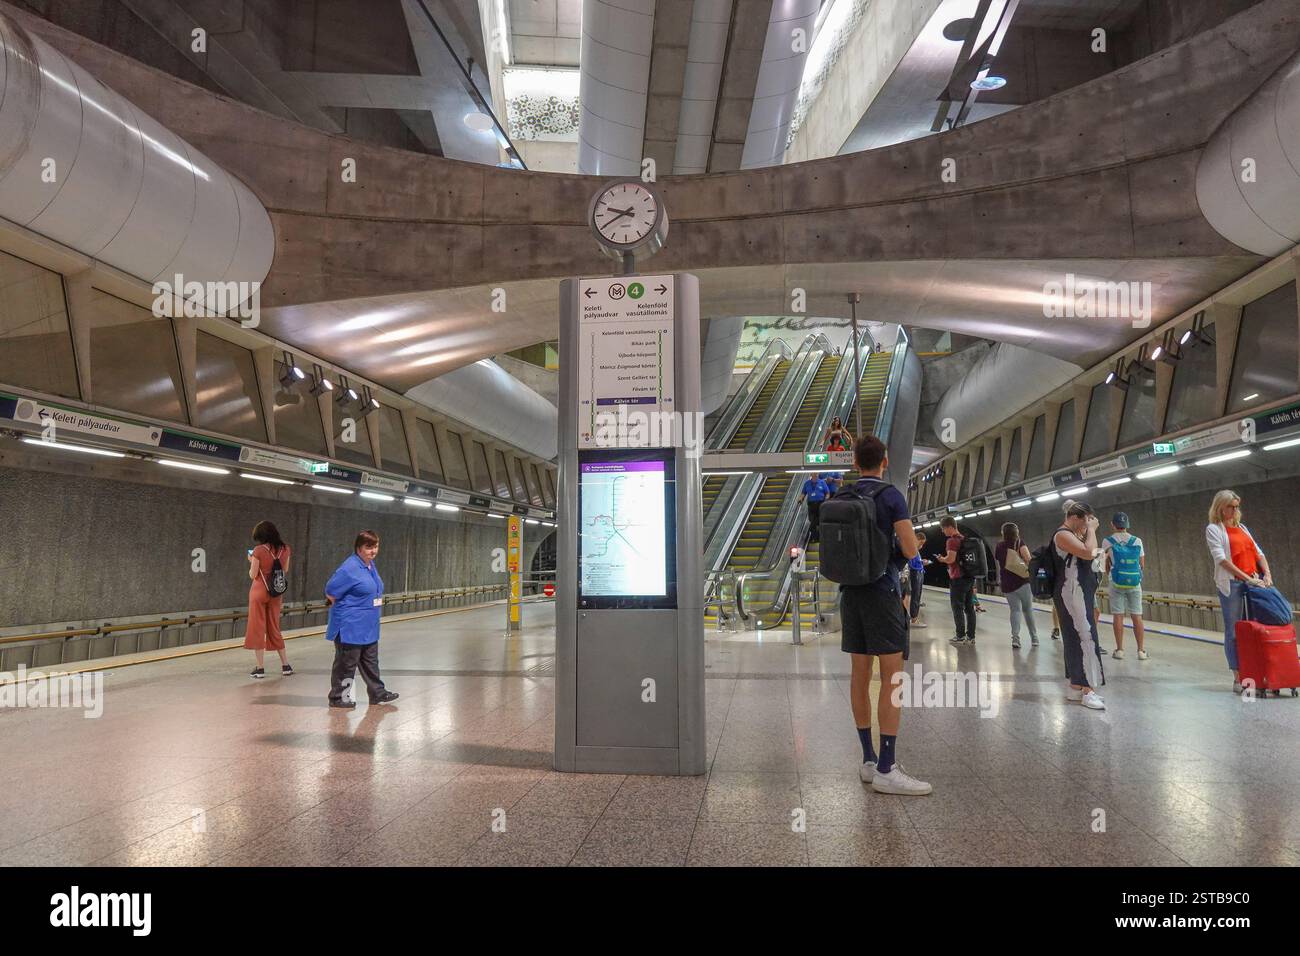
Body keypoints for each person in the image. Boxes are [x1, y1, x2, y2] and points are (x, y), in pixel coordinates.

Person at [839, 435, 931, 796]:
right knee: (892, 677)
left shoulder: (842, 495)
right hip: (882, 591)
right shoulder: (891, 496)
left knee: (859, 675)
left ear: (855, 462)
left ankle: (867, 759)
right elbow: (910, 548)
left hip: (850, 594)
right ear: (885, 461)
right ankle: (887, 768)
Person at [1205, 490, 1271, 694]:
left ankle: (1258, 672)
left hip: (1254, 583)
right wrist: (1246, 577)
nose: (1234, 510)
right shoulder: (1214, 529)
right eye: (1230, 507)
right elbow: (1221, 560)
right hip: (1232, 584)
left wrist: (1266, 574)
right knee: (1233, 630)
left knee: (1255, 629)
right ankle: (1238, 677)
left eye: (1236, 507)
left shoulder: (1242, 528)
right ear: (1220, 508)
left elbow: (1258, 553)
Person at [325, 530, 399, 708]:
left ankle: (377, 693)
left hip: (369, 626)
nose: (373, 551)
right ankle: (338, 697)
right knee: (346, 665)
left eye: (376, 546)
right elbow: (331, 591)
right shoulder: (349, 568)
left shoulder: (369, 565)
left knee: (371, 663)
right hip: (350, 626)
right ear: (359, 548)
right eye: (369, 547)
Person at [1053, 501, 1106, 710]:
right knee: (1087, 637)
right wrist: (1092, 530)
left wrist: (1088, 531)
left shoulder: (1072, 535)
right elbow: (1089, 552)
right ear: (1074, 518)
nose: (1086, 527)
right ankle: (1088, 690)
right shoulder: (1062, 535)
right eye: (1084, 522)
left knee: (1075, 638)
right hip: (1072, 591)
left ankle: (1076, 686)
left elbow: (1097, 560)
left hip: (1078, 590)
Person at [243, 521, 292, 679]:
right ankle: (285, 665)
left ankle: (260, 668)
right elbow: (285, 570)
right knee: (274, 627)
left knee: (257, 627)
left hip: (259, 592)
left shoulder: (258, 550)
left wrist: (252, 560)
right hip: (276, 592)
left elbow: (253, 574)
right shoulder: (285, 549)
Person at [1101, 512, 1148, 660]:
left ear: (1113, 525)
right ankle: (1141, 651)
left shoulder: (1107, 541)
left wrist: (1111, 575)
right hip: (1134, 582)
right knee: (1137, 616)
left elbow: (1104, 564)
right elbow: (1142, 564)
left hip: (1116, 581)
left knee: (1118, 615)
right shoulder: (1137, 541)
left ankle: (1120, 650)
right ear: (1127, 525)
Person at [995, 522, 1038, 649]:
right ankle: (1034, 638)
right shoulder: (1020, 543)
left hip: (1007, 583)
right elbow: (1029, 559)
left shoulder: (999, 546)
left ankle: (1015, 639)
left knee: (1015, 610)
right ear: (1016, 532)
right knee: (1028, 610)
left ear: (1003, 533)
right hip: (1022, 581)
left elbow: (1000, 560)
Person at [937, 516, 976, 645]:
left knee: (957, 607)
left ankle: (960, 635)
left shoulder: (952, 541)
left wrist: (942, 559)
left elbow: (951, 559)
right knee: (969, 608)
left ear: (949, 527)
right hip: (969, 576)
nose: (943, 532)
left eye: (943, 529)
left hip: (958, 578)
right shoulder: (964, 539)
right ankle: (971, 637)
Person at [800, 472, 831, 543]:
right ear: (811, 474)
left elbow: (827, 493)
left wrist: (826, 499)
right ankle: (815, 538)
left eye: (817, 473)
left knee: (820, 521)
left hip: (820, 504)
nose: (816, 474)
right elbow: (803, 493)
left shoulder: (822, 482)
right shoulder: (807, 483)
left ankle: (820, 538)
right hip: (811, 505)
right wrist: (800, 499)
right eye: (814, 473)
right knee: (812, 521)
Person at [908, 530, 929, 628]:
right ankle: (914, 619)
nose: (922, 546)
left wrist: (922, 562)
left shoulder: (916, 550)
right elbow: (911, 564)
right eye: (921, 543)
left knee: (917, 595)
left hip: (919, 572)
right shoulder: (911, 548)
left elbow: (916, 561)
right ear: (917, 539)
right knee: (915, 595)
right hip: (915, 573)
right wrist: (921, 563)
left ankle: (913, 617)